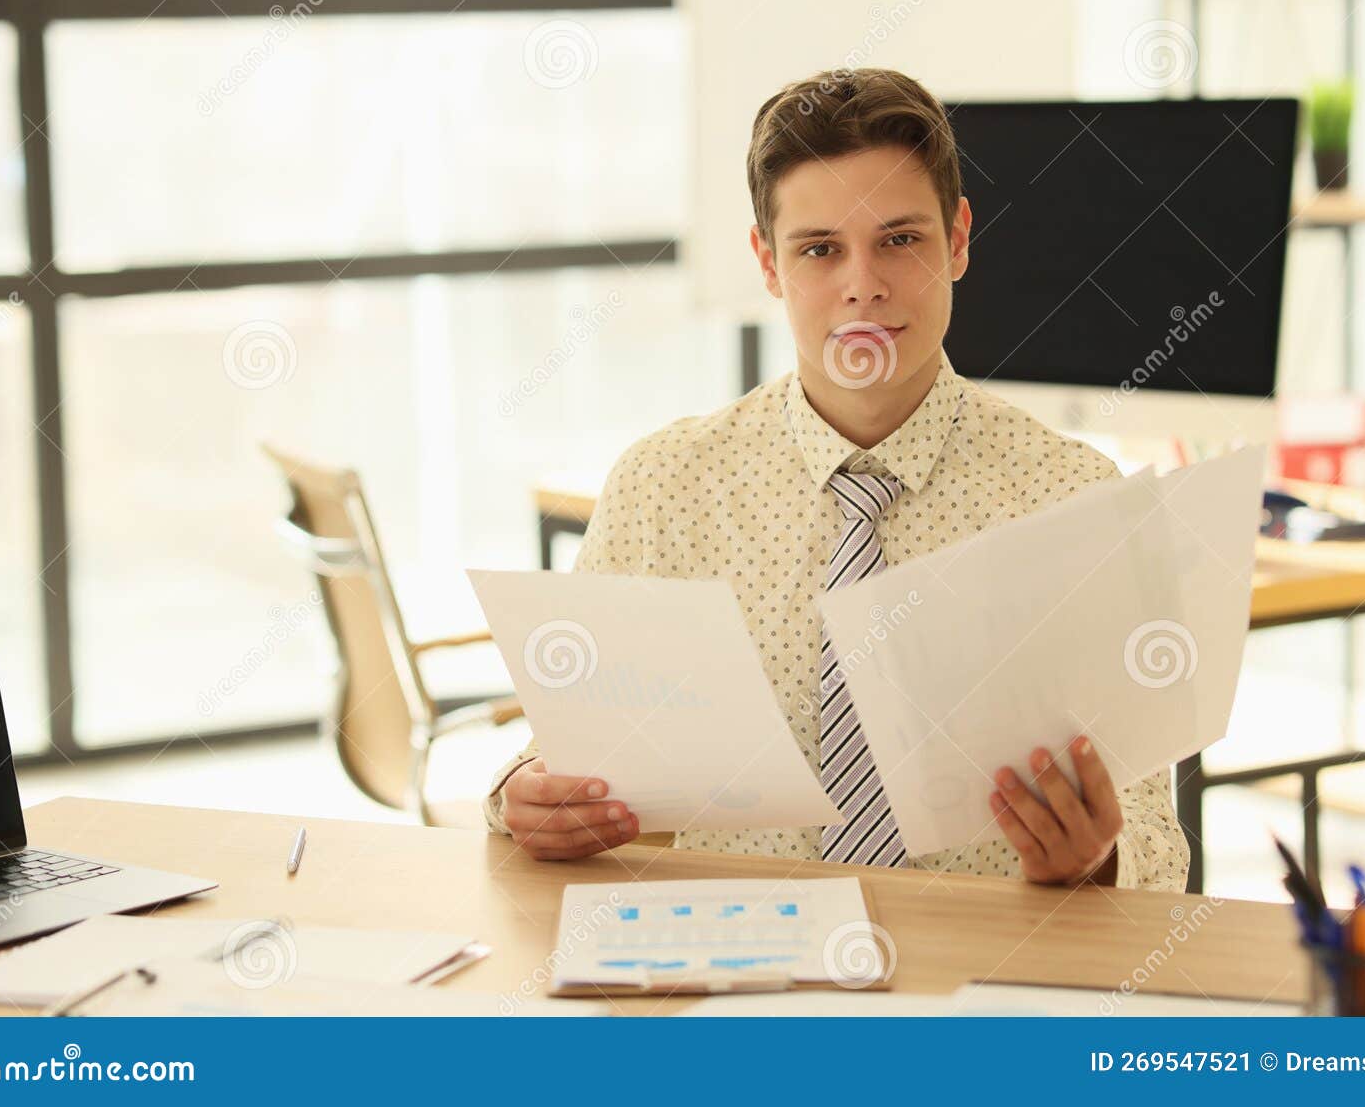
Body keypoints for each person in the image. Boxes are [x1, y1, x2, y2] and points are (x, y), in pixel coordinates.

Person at [483, 67, 1189, 891]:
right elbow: (565, 755)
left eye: (901, 239)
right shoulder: (662, 488)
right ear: (768, 262)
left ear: (959, 239)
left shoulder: (1075, 499)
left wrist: (1099, 862)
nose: (863, 284)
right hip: (735, 984)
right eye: (820, 249)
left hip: (981, 985)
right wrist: (523, 796)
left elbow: (1155, 844)